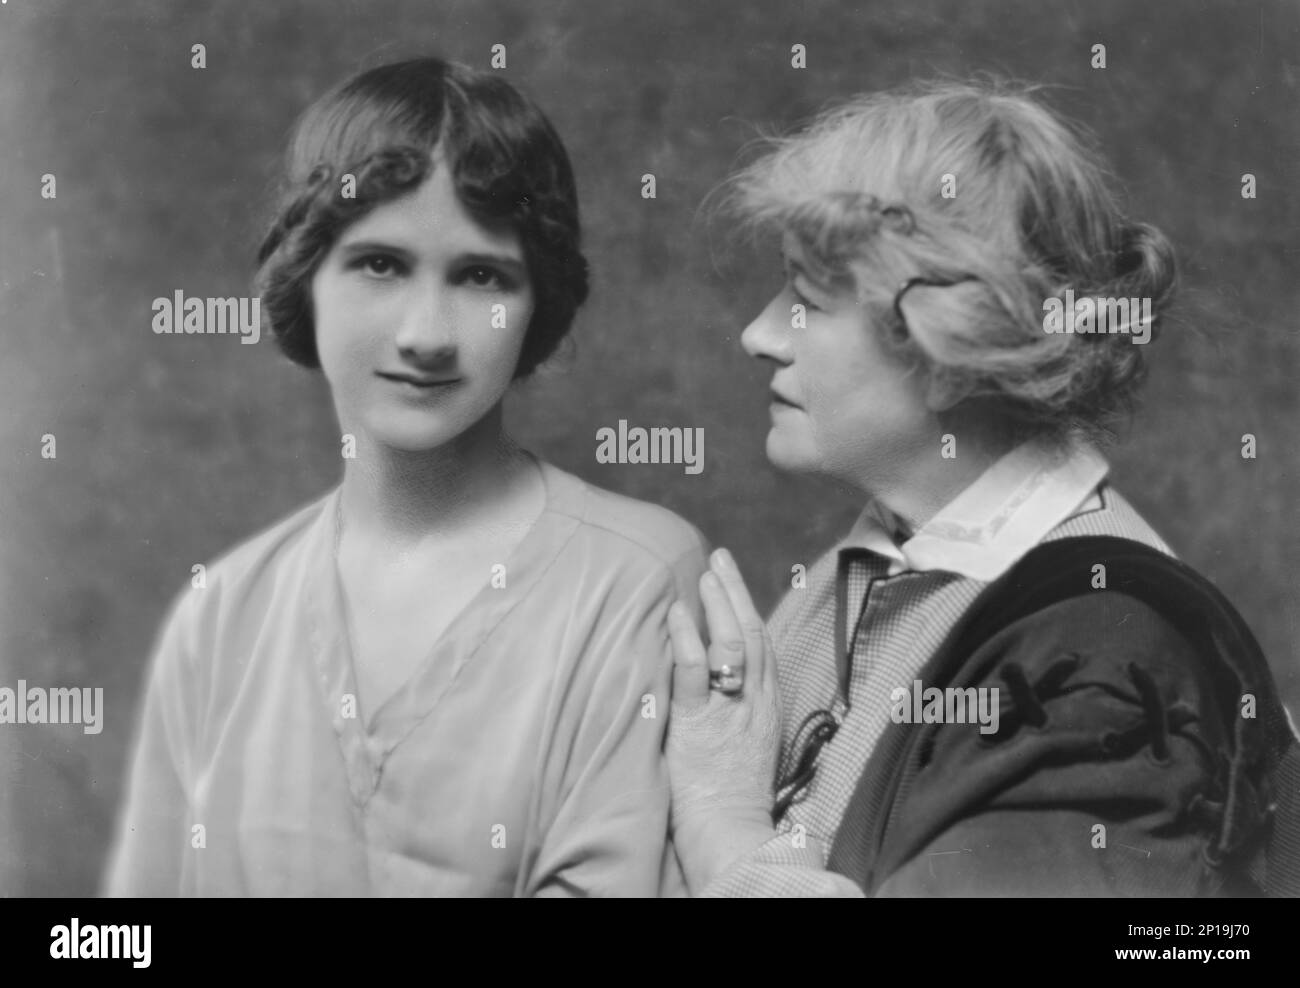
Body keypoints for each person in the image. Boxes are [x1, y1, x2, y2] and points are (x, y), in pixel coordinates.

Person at [665, 79, 1297, 897]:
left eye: (808, 300)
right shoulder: (863, 567)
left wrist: (721, 819)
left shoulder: (1101, 659)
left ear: (947, 354)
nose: (757, 334)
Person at [105, 57, 706, 897]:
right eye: (380, 265)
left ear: (539, 302)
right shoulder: (222, 615)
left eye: (482, 276)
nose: (428, 334)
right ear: (304, 276)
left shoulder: (636, 579)